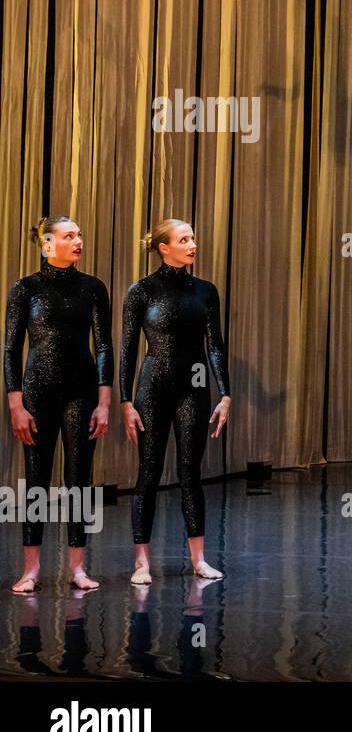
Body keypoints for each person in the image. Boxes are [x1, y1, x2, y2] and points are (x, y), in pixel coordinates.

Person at [5, 216, 112, 592]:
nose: (79, 240)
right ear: (48, 244)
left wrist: (104, 401)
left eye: (80, 234)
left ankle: (78, 567)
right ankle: (31, 569)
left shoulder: (93, 288)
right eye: (70, 235)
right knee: (36, 478)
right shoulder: (26, 288)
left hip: (82, 391)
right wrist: (16, 404)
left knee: (79, 478)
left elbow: (103, 347)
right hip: (38, 390)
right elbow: (11, 348)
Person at [120, 219, 230, 583]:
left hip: (192, 389)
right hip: (153, 388)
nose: (193, 244)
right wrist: (125, 401)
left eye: (194, 238)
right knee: (149, 473)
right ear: (164, 247)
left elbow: (214, 345)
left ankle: (198, 559)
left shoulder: (205, 291)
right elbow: (128, 349)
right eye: (184, 239)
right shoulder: (142, 291)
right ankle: (141, 562)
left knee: (190, 475)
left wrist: (225, 393)